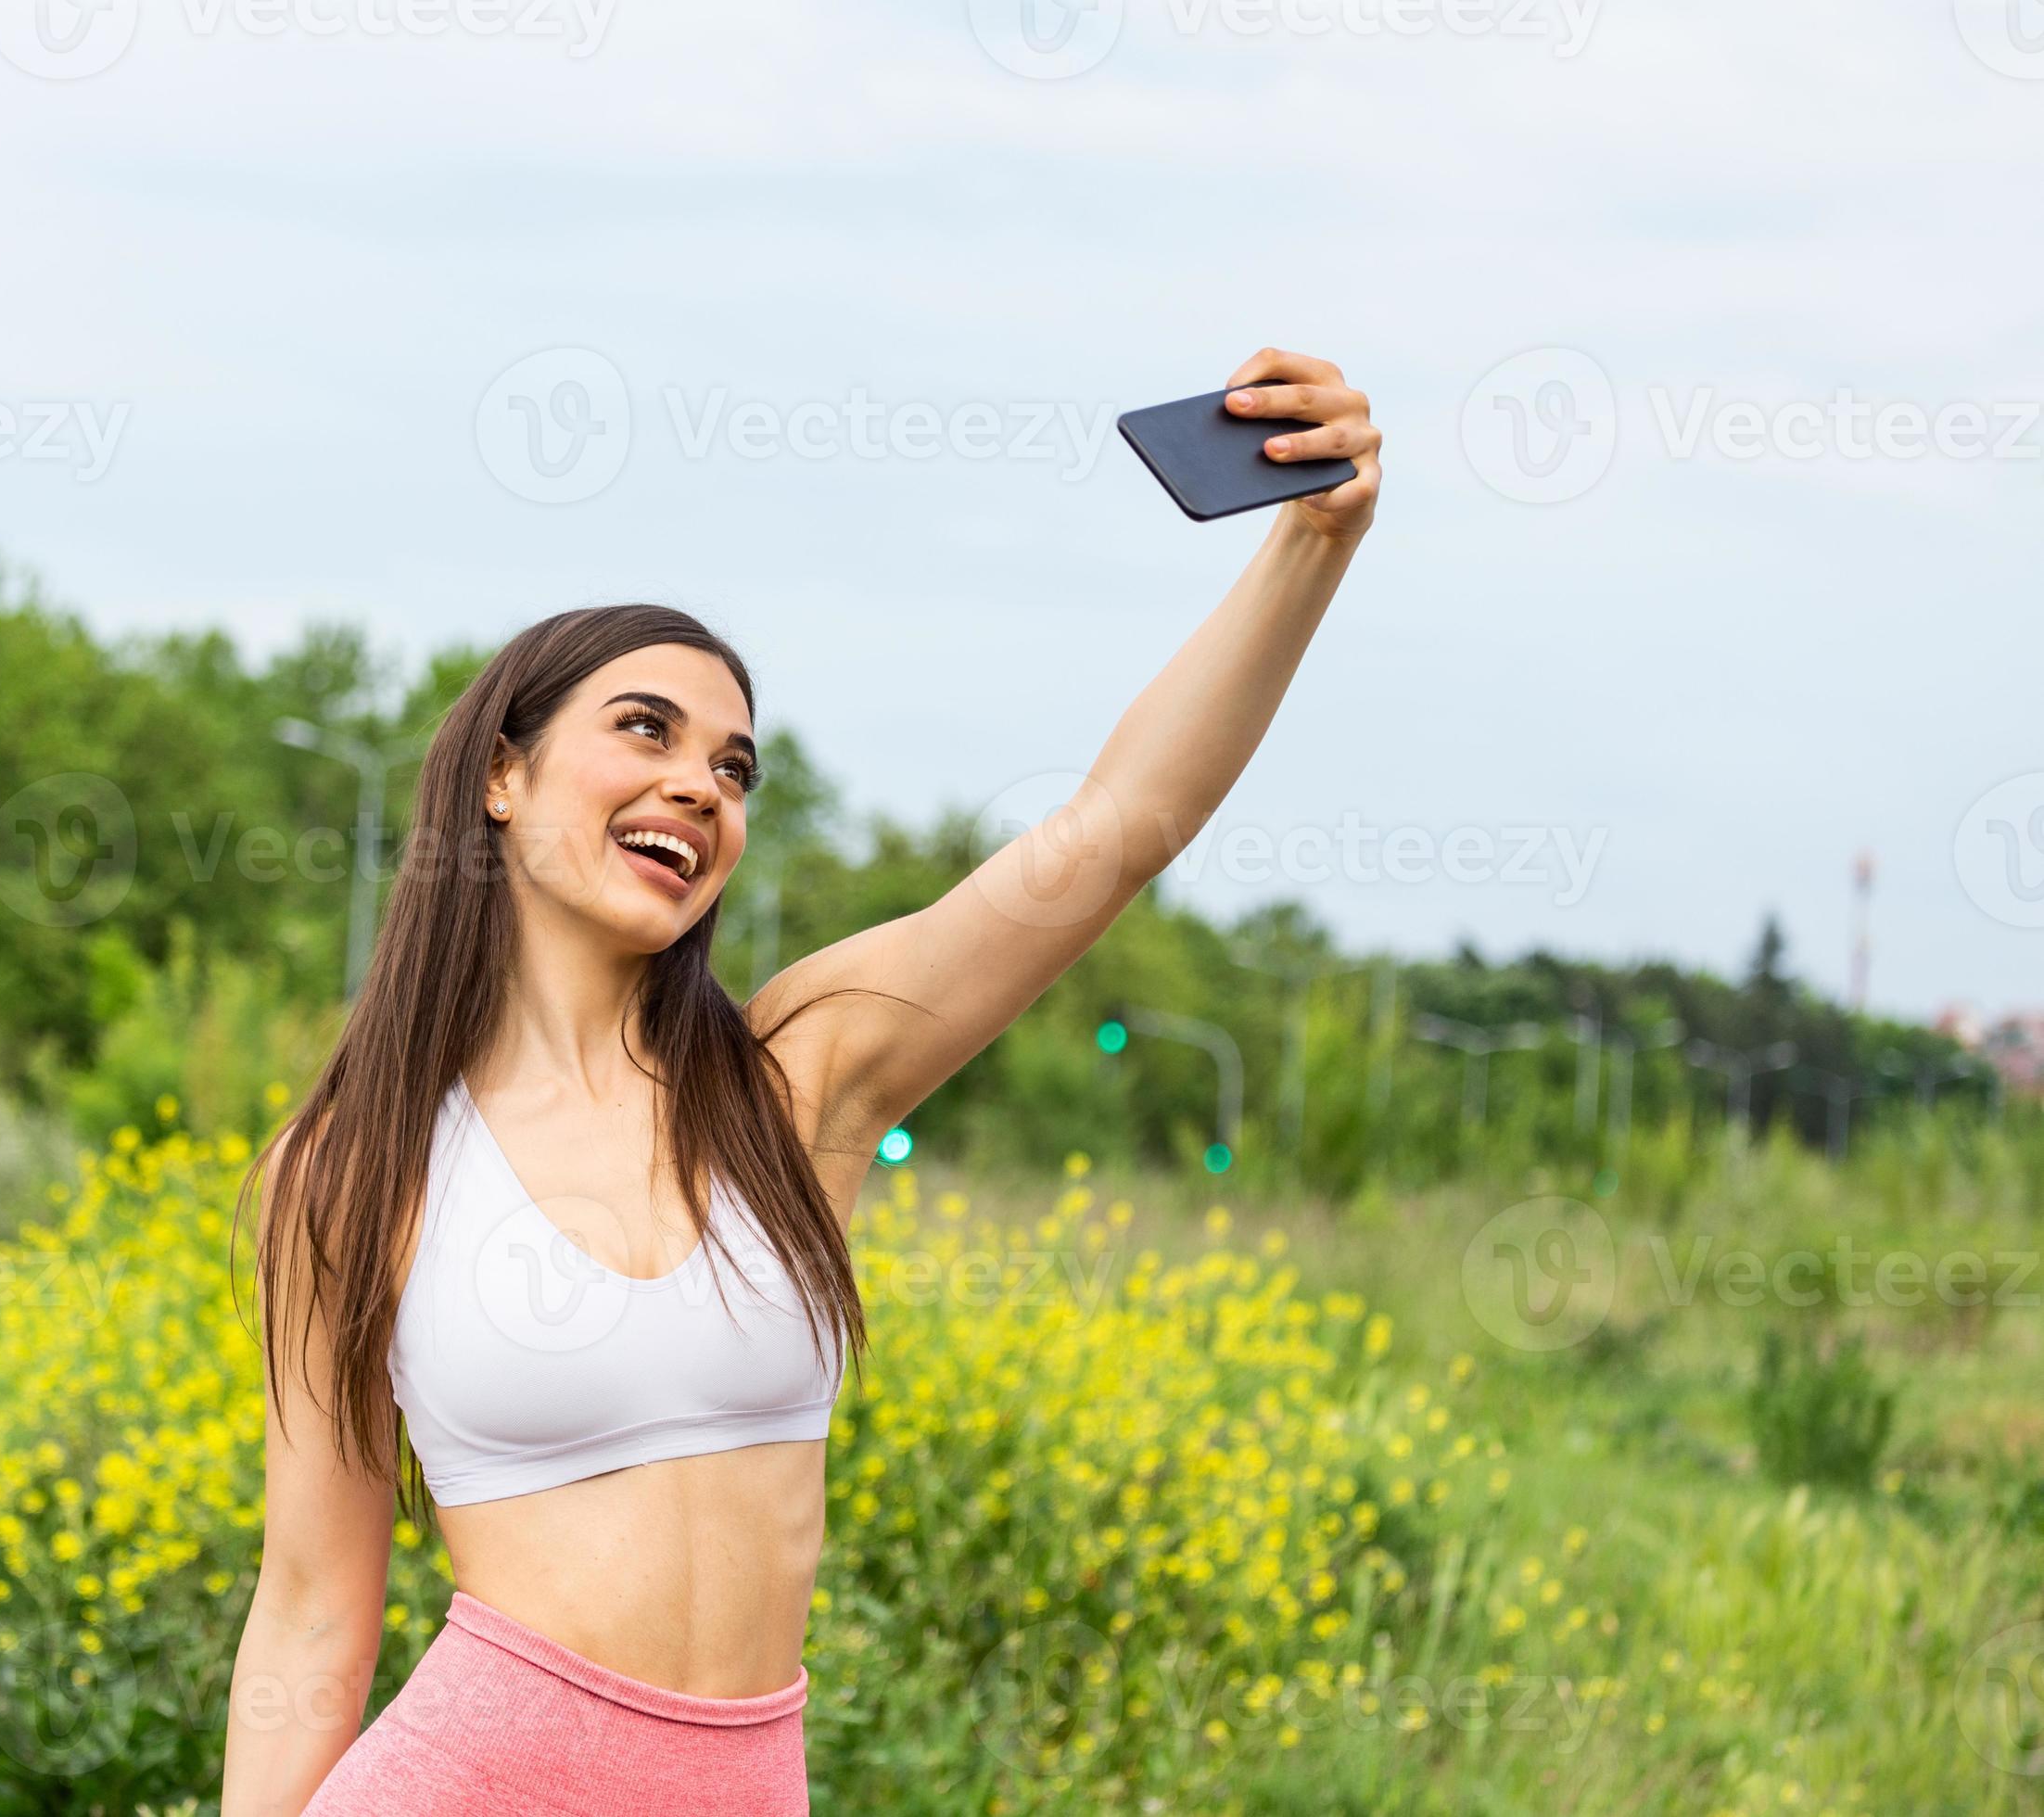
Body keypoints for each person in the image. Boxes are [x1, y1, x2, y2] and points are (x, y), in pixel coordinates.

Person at [218, 349, 1381, 1814]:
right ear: (501, 776)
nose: (703, 785)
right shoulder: (351, 1169)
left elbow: (1112, 830)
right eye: (644, 730)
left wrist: (1312, 543)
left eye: (738, 766)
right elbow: (315, 1610)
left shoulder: (792, 1081)